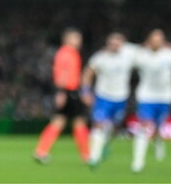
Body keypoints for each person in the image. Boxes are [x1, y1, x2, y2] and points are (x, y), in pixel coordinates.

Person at [131, 29, 171, 173]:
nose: (156, 42)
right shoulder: (141, 55)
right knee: (144, 125)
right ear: (149, 40)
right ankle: (138, 162)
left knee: (158, 125)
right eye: (153, 39)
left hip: (165, 96)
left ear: (163, 41)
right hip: (146, 95)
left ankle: (158, 140)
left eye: (159, 40)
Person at [33, 28, 89, 165]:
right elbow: (62, 74)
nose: (79, 41)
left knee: (59, 121)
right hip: (69, 91)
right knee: (78, 121)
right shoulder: (66, 53)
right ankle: (86, 155)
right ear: (67, 39)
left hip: (68, 91)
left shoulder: (67, 53)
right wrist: (61, 92)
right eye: (76, 38)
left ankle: (41, 150)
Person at [81, 32, 137, 168]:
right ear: (108, 43)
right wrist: (85, 91)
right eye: (112, 43)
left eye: (118, 42)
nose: (115, 45)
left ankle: (104, 143)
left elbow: (148, 49)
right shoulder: (100, 57)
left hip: (121, 97)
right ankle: (94, 157)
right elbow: (88, 73)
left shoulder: (130, 53)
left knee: (113, 127)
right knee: (99, 124)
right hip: (103, 96)